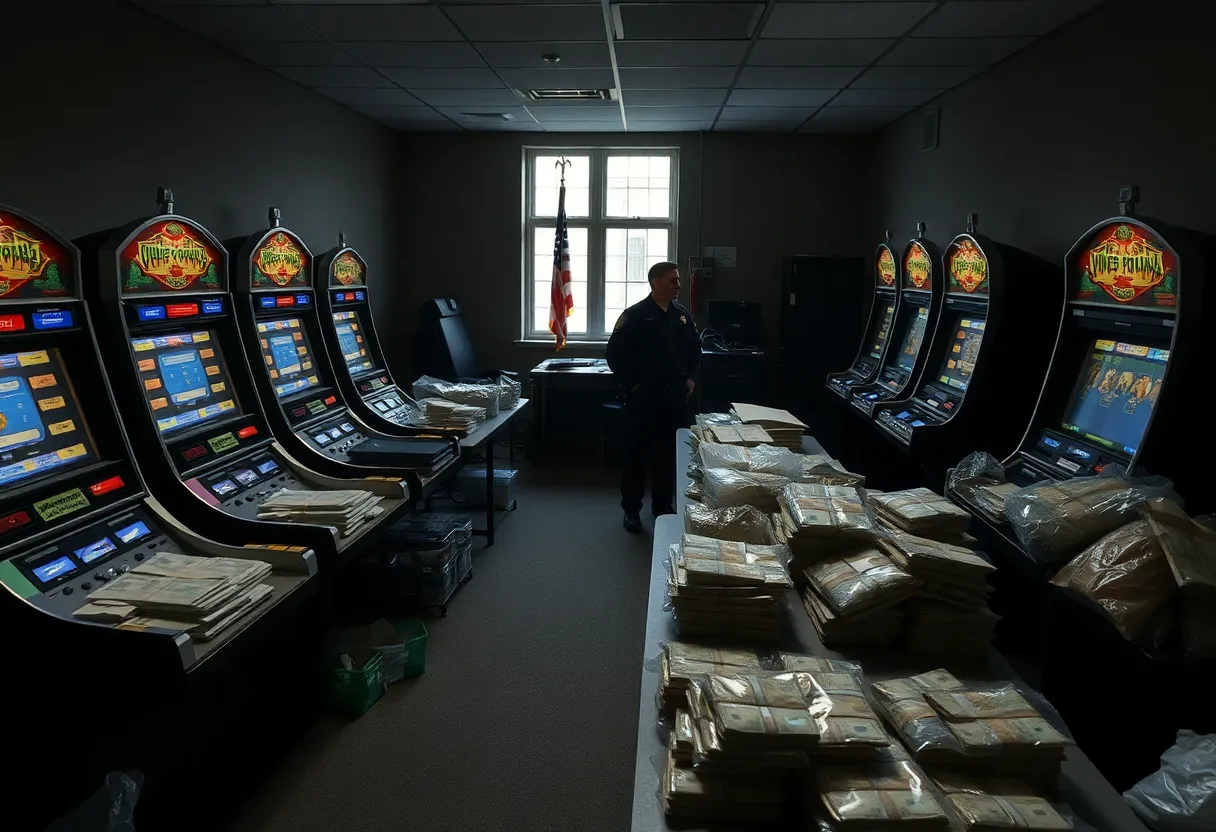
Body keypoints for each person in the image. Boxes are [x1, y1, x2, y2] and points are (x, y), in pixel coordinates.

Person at [606, 261, 700, 533]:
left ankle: (661, 505)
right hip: (644, 400)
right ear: (655, 282)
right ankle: (631, 509)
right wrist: (631, 386)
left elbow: (695, 350)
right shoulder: (634, 315)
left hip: (674, 399)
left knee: (668, 456)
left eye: (679, 281)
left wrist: (692, 378)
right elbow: (614, 355)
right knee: (638, 454)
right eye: (673, 280)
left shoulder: (681, 316)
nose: (678, 285)